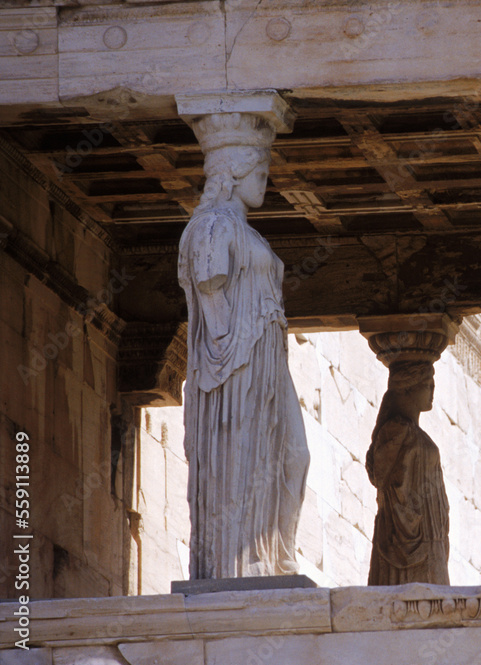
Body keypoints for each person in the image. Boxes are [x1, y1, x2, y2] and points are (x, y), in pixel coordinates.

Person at [178, 112, 309, 579]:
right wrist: (230, 359)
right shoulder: (212, 226)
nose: (265, 182)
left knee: (295, 454)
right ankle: (239, 564)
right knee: (242, 457)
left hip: (269, 359)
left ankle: (275, 556)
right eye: (260, 173)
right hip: (237, 365)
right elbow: (212, 298)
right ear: (233, 174)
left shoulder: (247, 232)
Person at [366, 361, 450, 585]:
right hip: (410, 538)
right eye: (427, 384)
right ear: (409, 387)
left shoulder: (414, 432)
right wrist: (409, 514)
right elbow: (382, 476)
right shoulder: (397, 429)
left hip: (432, 536)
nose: (432, 391)